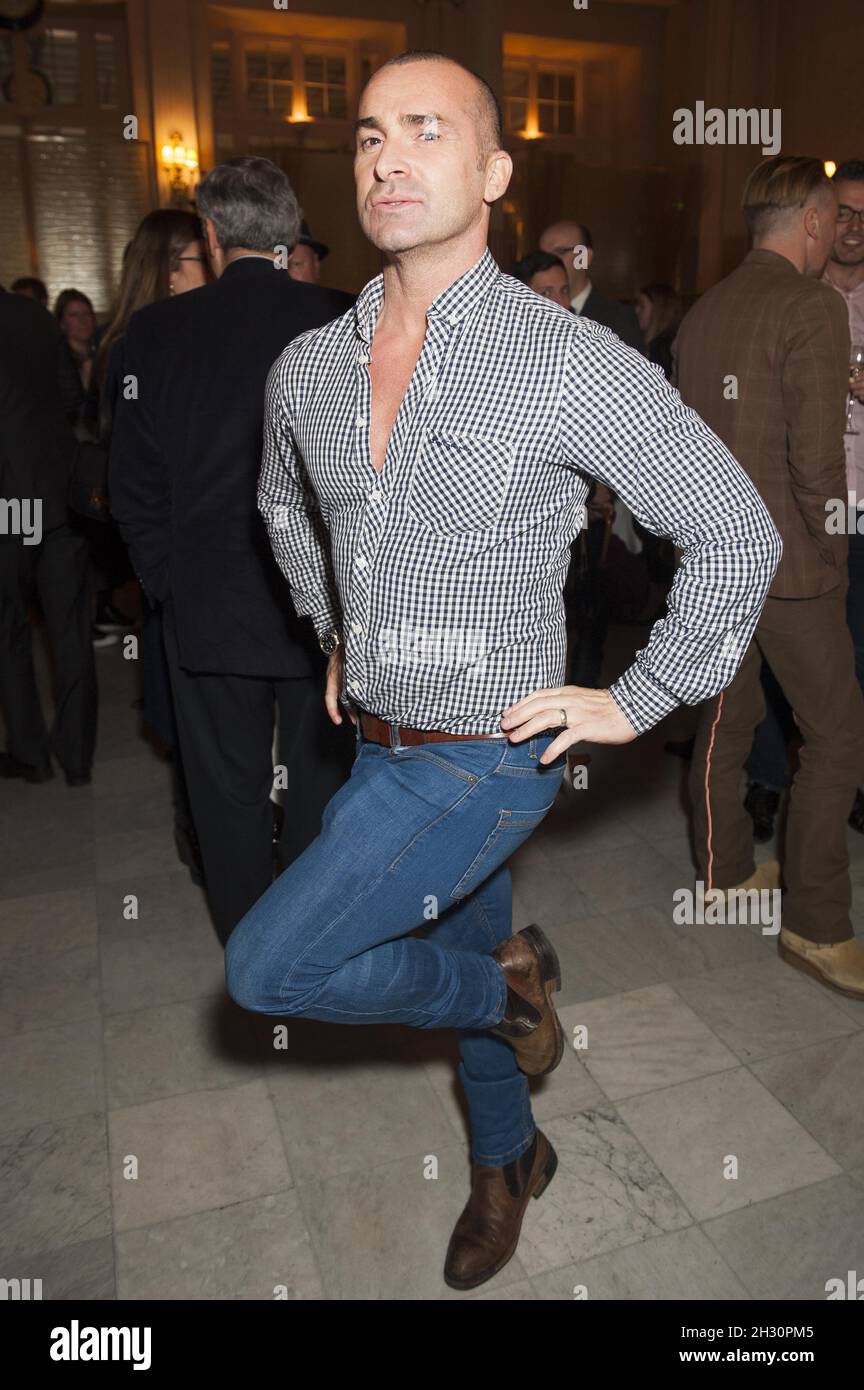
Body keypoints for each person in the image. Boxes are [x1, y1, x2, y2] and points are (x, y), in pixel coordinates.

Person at [224, 50, 780, 1292]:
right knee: (477, 967)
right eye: (370, 134)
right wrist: (333, 630)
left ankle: (502, 985)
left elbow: (735, 526)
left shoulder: (561, 358)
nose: (389, 156)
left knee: (269, 965)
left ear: (493, 170)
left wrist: (639, 696)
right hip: (376, 732)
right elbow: (280, 507)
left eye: (428, 129)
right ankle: (507, 1155)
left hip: (491, 753)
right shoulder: (309, 365)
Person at [110, 157, 357, 944]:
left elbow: (133, 484)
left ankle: (256, 948)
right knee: (324, 778)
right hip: (328, 597)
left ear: (211, 237)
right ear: (289, 233)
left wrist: (165, 584)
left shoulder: (153, 332)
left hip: (208, 599)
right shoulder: (352, 317)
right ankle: (312, 937)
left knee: (225, 789)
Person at [675, 154, 864, 999]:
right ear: (814, 223)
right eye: (836, 220)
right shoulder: (812, 304)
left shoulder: (704, 311)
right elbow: (819, 461)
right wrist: (833, 554)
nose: (838, 235)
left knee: (724, 723)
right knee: (836, 736)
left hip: (716, 560)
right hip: (790, 567)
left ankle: (721, 877)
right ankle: (817, 928)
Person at [97, 208, 210, 880]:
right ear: (171, 273)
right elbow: (131, 475)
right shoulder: (134, 349)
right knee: (183, 703)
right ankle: (200, 837)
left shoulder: (198, 336)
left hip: (199, 559)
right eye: (202, 258)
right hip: (173, 558)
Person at [0, 292, 97, 785]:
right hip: (59, 495)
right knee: (70, 629)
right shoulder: (34, 315)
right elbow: (68, 399)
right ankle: (76, 759)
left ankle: (30, 752)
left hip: (9, 504)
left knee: (10, 630)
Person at [823, 159, 864, 831]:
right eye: (844, 213)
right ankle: (774, 779)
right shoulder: (795, 290)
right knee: (799, 653)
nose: (854, 228)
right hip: (807, 505)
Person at [539, 219, 643, 350]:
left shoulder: (619, 319)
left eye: (558, 252)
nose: (545, 262)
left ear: (584, 258)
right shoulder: (531, 311)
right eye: (541, 255)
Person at [635, 282, 684, 380]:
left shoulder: (661, 348)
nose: (636, 310)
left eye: (642, 306)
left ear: (658, 310)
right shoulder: (666, 342)